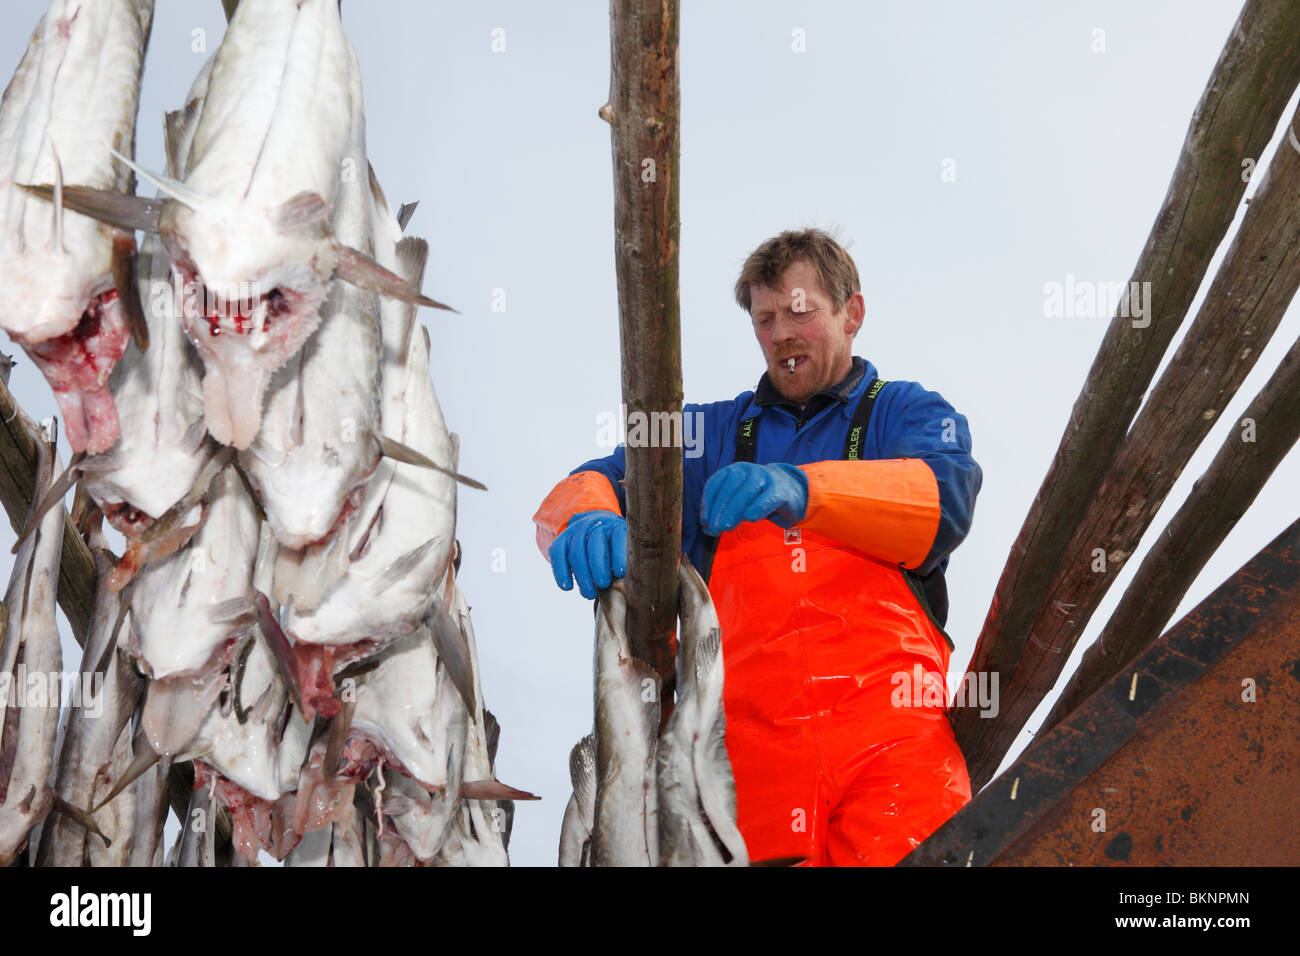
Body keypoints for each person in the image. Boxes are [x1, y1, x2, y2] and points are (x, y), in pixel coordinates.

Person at [533, 228, 982, 866]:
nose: (780, 333)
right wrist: (586, 517)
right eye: (765, 318)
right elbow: (592, 480)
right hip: (741, 773)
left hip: (892, 751)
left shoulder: (903, 412)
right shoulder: (709, 434)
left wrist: (806, 490)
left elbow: (945, 500)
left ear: (852, 313)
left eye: (800, 310)